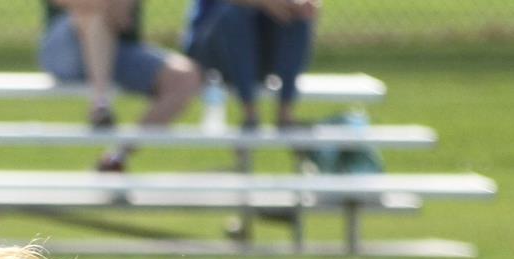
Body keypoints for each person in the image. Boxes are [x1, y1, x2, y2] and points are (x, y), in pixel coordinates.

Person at [39, 0, 202, 172]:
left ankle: (115, 158)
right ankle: (100, 105)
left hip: (118, 48)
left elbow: (124, 19)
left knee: (186, 77)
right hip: (67, 49)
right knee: (93, 13)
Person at [183, 0, 319, 129]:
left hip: (260, 52)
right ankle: (249, 114)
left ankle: (285, 113)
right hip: (214, 50)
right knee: (234, 14)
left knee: (297, 16)